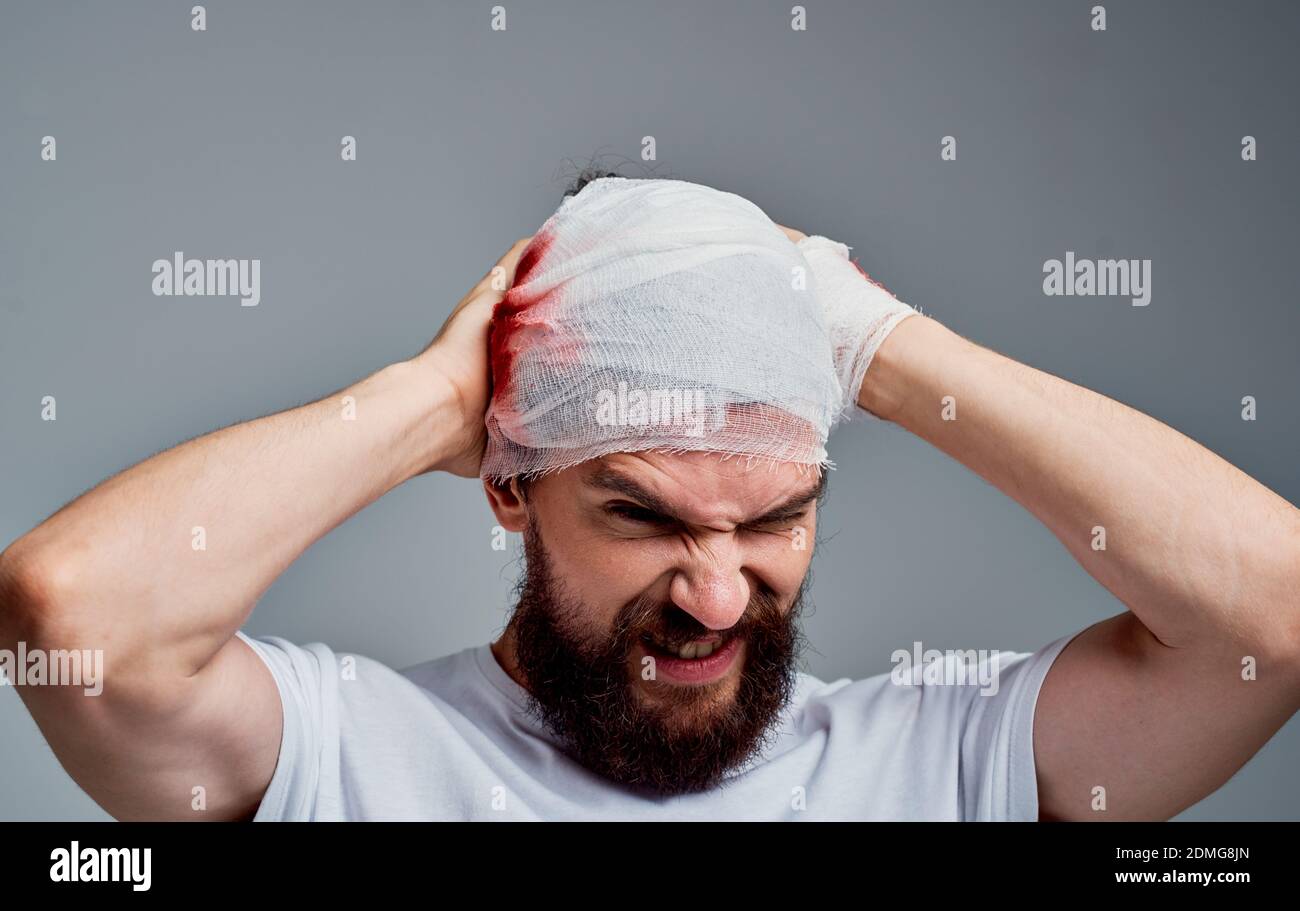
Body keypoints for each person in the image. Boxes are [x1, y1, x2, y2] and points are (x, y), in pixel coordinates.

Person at [2, 173, 1297, 821]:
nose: (718, 594)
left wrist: (881, 346)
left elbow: (1272, 623)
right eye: (644, 516)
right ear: (511, 490)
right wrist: (437, 401)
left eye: (777, 516)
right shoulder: (345, 757)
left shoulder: (943, 763)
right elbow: (71, 624)